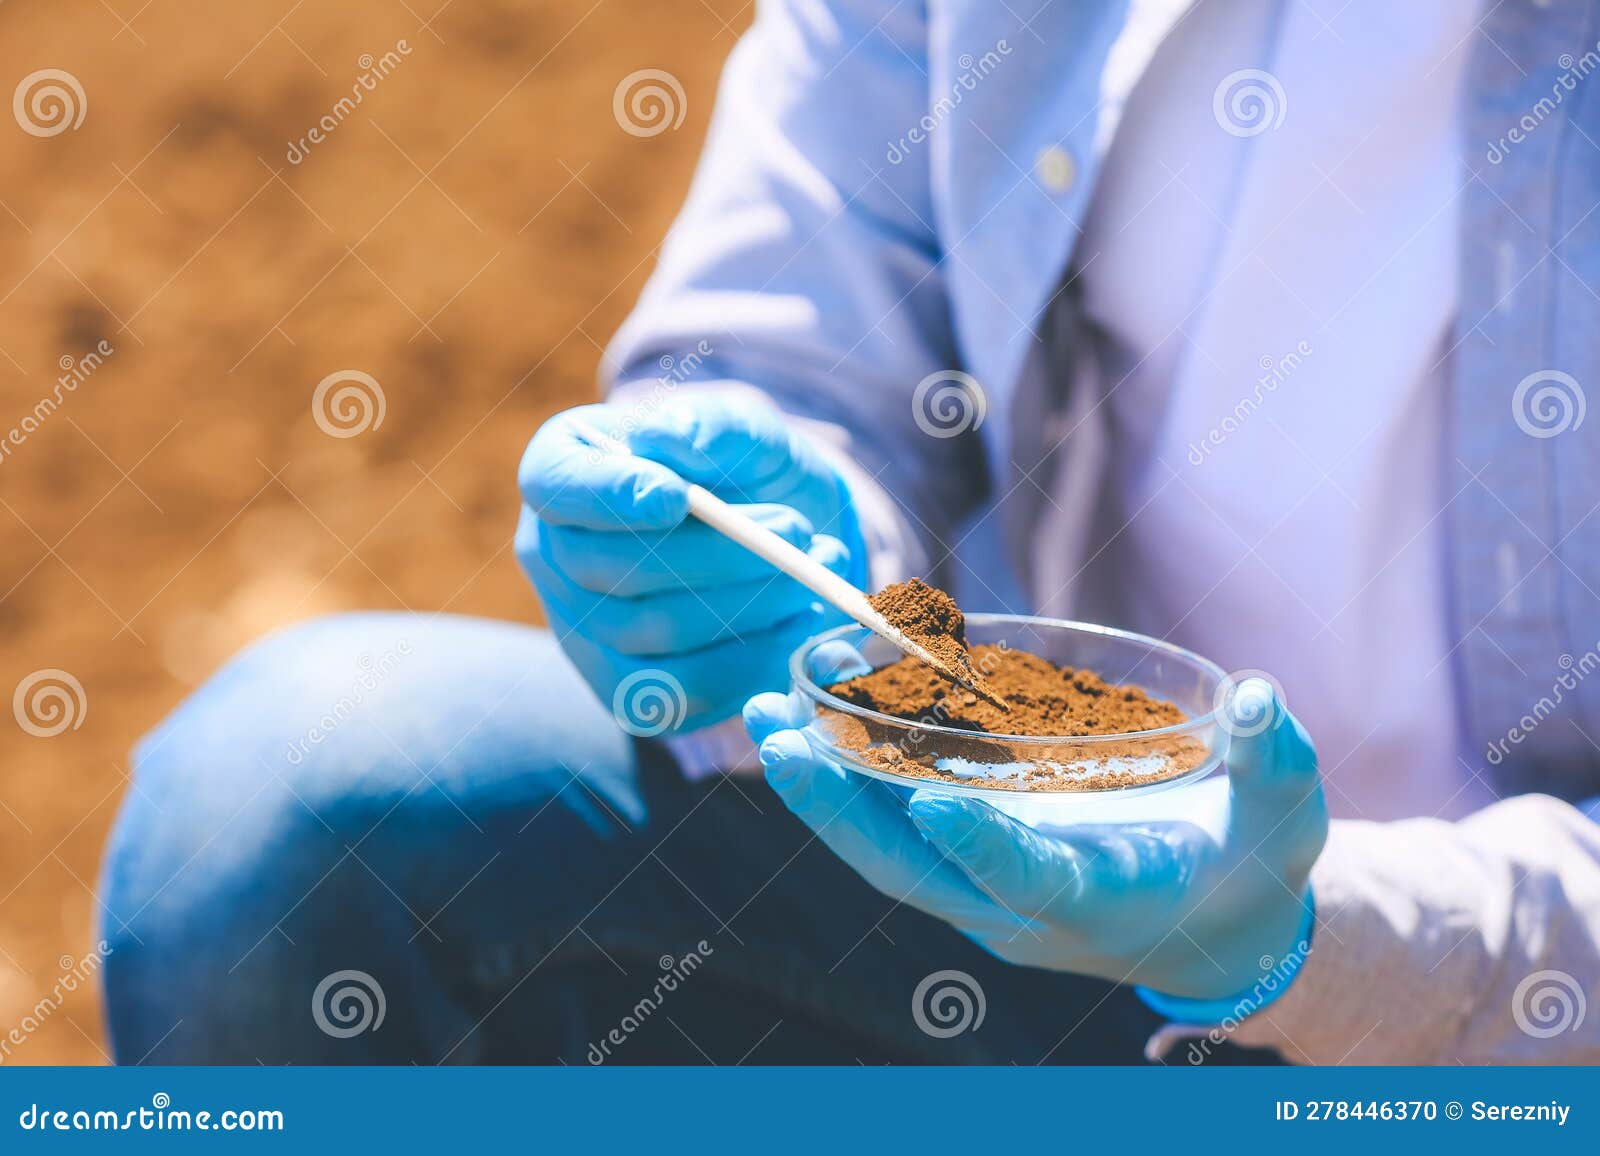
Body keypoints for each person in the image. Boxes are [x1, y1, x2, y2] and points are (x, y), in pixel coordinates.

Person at [101, 0, 1600, 1064]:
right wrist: (785, 510)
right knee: (291, 825)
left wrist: (1317, 945)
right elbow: (811, 325)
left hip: (1483, 1048)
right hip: (989, 904)